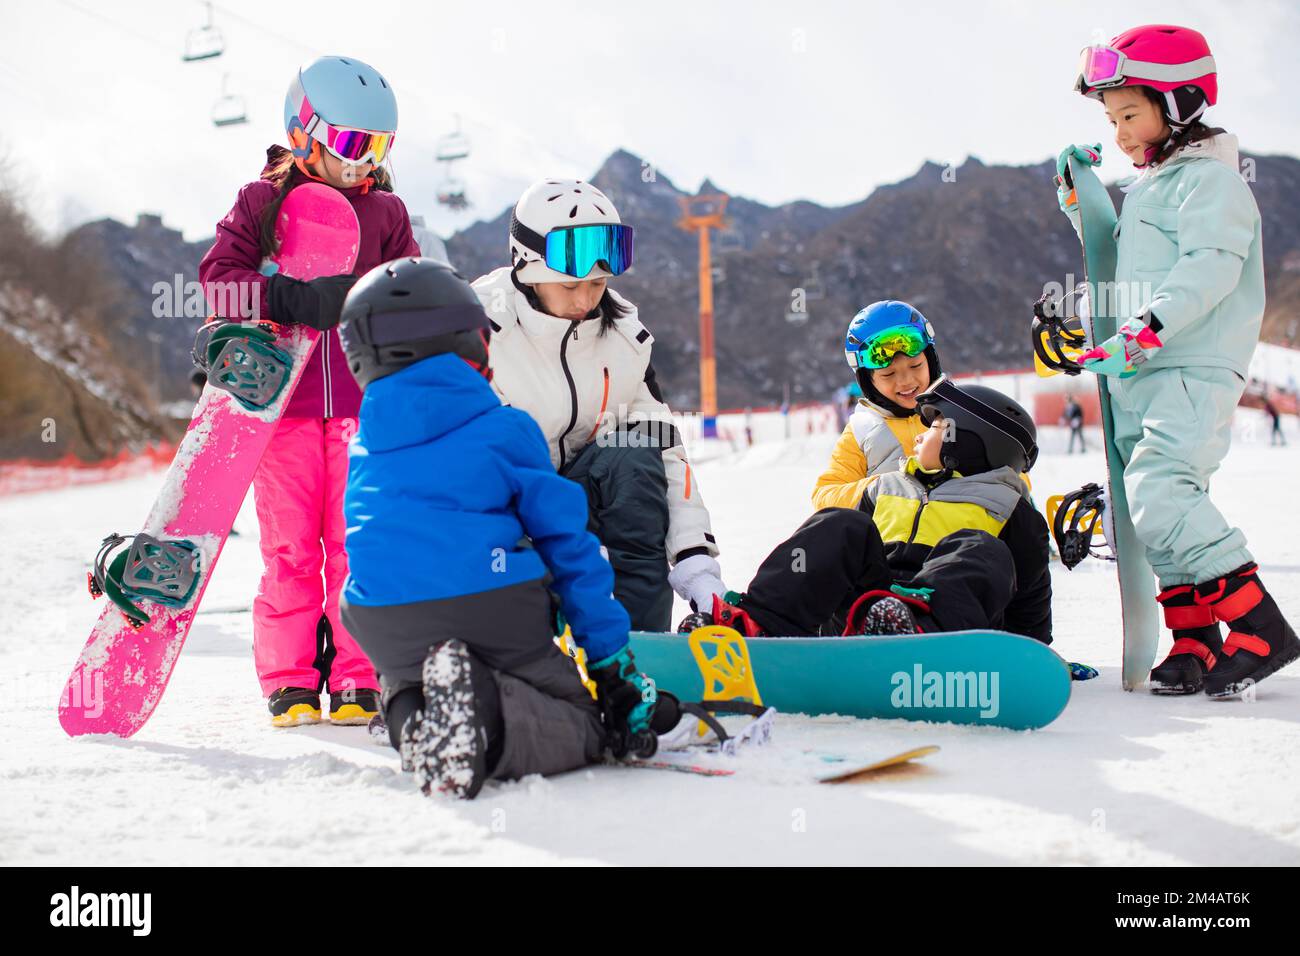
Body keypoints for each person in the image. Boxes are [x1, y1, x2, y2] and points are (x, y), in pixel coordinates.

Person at [336, 258, 671, 798]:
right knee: (580, 720)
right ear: (467, 340)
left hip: (380, 619)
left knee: (408, 676)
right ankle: (487, 724)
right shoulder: (506, 428)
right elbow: (571, 549)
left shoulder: (364, 448)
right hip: (490, 609)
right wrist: (612, 666)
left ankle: (411, 717)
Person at [1062, 23, 1296, 695]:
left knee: (1165, 494)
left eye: (1130, 113)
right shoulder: (1152, 190)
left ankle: (1260, 628)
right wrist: (1079, 202)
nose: (1120, 132)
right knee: (1147, 508)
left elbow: (1207, 268)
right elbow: (1117, 260)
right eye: (1111, 119)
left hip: (1190, 366)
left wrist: (1145, 330)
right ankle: (1195, 640)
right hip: (1146, 371)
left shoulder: (1211, 184)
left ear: (1183, 101)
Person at [198, 55, 419, 726]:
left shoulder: (385, 212)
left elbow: (414, 291)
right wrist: (291, 296)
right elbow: (220, 280)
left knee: (356, 544)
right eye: (350, 145)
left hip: (362, 409)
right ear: (304, 131)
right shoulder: (263, 203)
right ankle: (290, 678)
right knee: (291, 547)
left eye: (375, 148)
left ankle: (358, 674)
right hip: (281, 408)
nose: (361, 163)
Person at [472, 179, 725, 632]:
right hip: (505, 519)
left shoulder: (625, 338)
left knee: (634, 452)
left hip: (585, 502)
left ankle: (640, 646)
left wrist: (694, 556)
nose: (587, 300)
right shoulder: (479, 333)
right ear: (528, 268)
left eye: (598, 283)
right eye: (571, 287)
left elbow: (665, 450)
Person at [684, 380, 1051, 643]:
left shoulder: (1010, 509)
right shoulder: (886, 486)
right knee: (842, 524)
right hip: (866, 613)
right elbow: (831, 555)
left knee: (980, 549)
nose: (920, 435)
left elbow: (1030, 594)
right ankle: (759, 623)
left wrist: (1034, 652)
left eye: (935, 425)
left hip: (943, 632)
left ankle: (917, 630)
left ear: (967, 442)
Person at [812, 301, 944, 510]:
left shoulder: (960, 411)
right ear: (868, 381)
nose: (906, 381)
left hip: (962, 534)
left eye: (916, 365)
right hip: (897, 540)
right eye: (888, 374)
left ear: (931, 360)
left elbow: (1011, 472)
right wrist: (879, 488)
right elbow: (825, 497)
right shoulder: (861, 431)